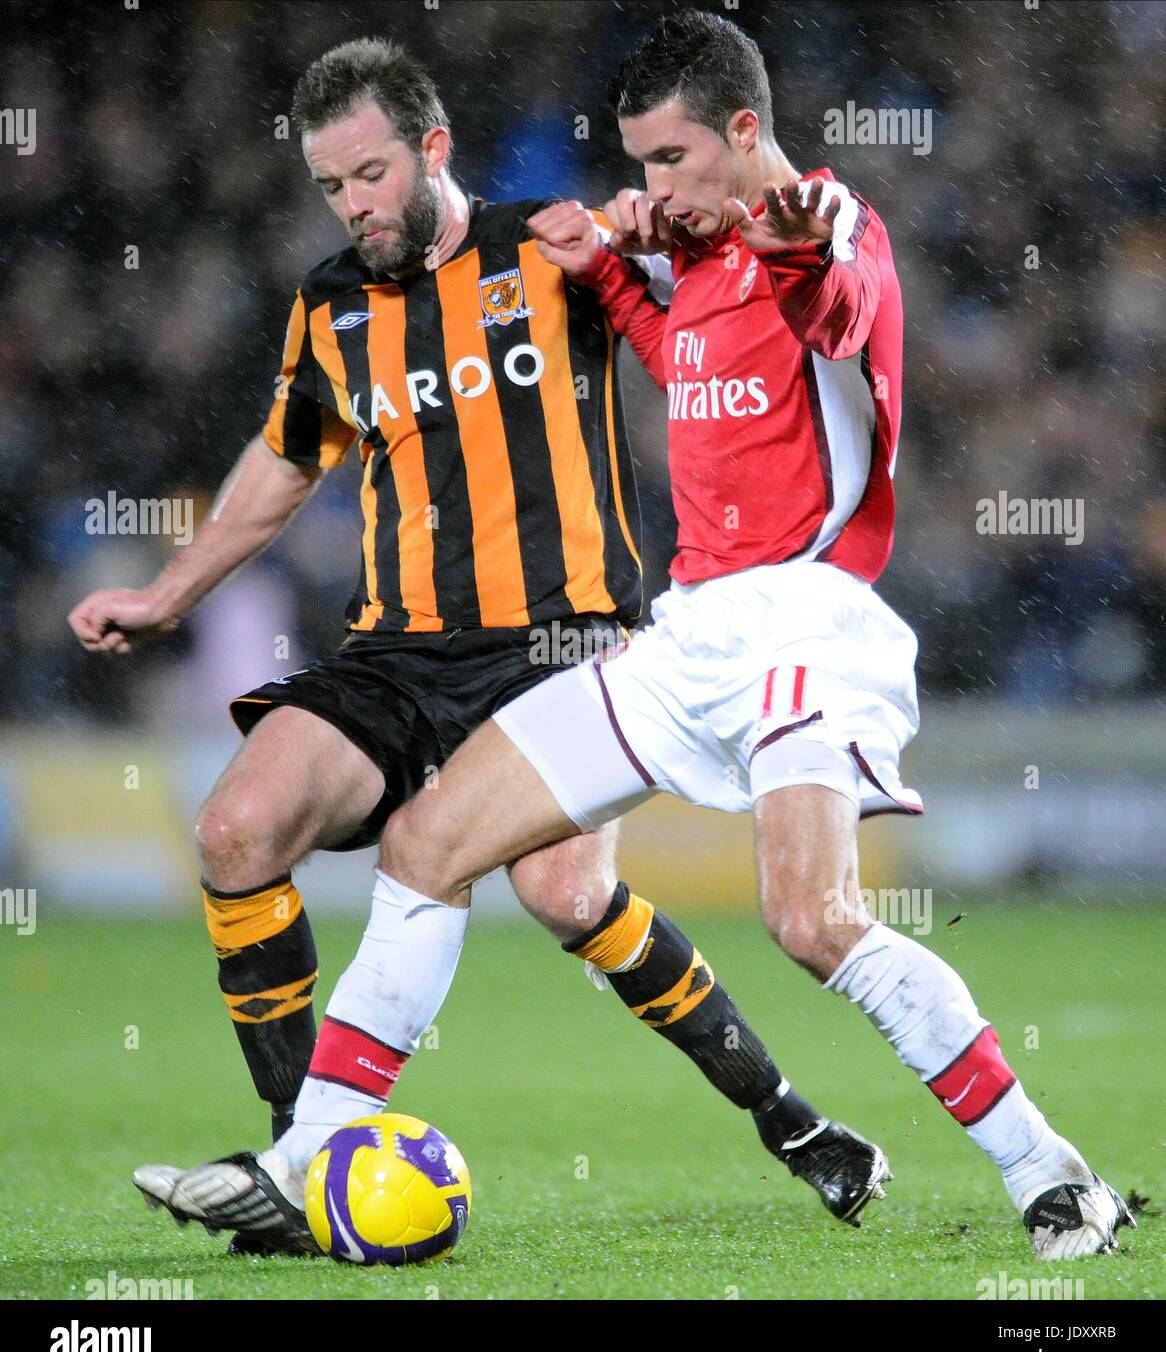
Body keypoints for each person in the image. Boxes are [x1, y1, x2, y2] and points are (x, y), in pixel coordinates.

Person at [139, 10, 1135, 1262]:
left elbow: (838, 303)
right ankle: (305, 1156)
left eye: (669, 162)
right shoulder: (704, 266)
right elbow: (680, 355)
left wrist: (802, 239)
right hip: (685, 633)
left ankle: (1051, 1176)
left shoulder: (825, 229)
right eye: (638, 165)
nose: (650, 188)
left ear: (742, 131)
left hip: (806, 620)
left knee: (811, 920)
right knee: (426, 839)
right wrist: (612, 268)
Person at [70, 35, 890, 1255]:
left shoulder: (550, 244)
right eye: (329, 187)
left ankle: (788, 1117)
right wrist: (169, 592)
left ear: (433, 148)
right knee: (237, 828)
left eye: (370, 176)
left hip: (562, 641)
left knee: (565, 890)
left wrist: (699, 229)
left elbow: (716, 291)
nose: (352, 206)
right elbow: (286, 462)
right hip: (399, 654)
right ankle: (307, 1150)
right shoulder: (329, 305)